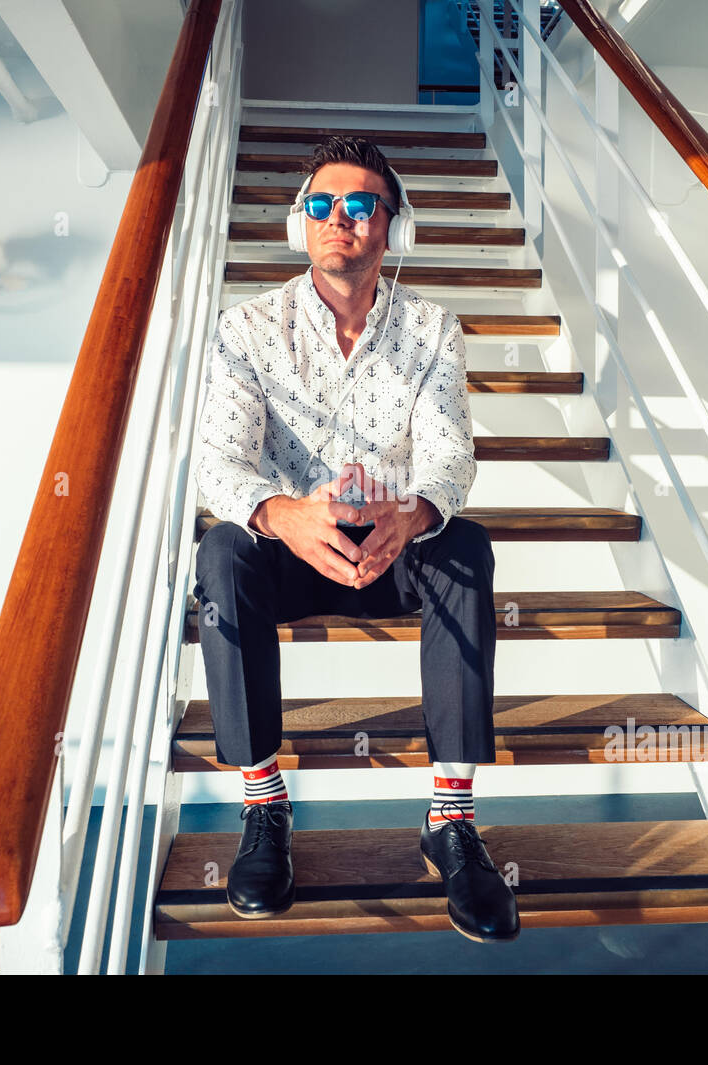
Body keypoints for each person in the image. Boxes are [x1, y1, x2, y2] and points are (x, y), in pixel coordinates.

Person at [191, 135, 518, 943]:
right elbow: (217, 461)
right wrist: (285, 515)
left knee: (465, 545)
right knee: (220, 553)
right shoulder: (245, 328)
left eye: (362, 204)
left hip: (395, 547)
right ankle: (265, 805)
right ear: (297, 223)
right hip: (293, 550)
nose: (342, 218)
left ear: (392, 228)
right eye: (323, 204)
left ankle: (451, 817)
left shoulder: (436, 329)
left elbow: (450, 456)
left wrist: (408, 516)